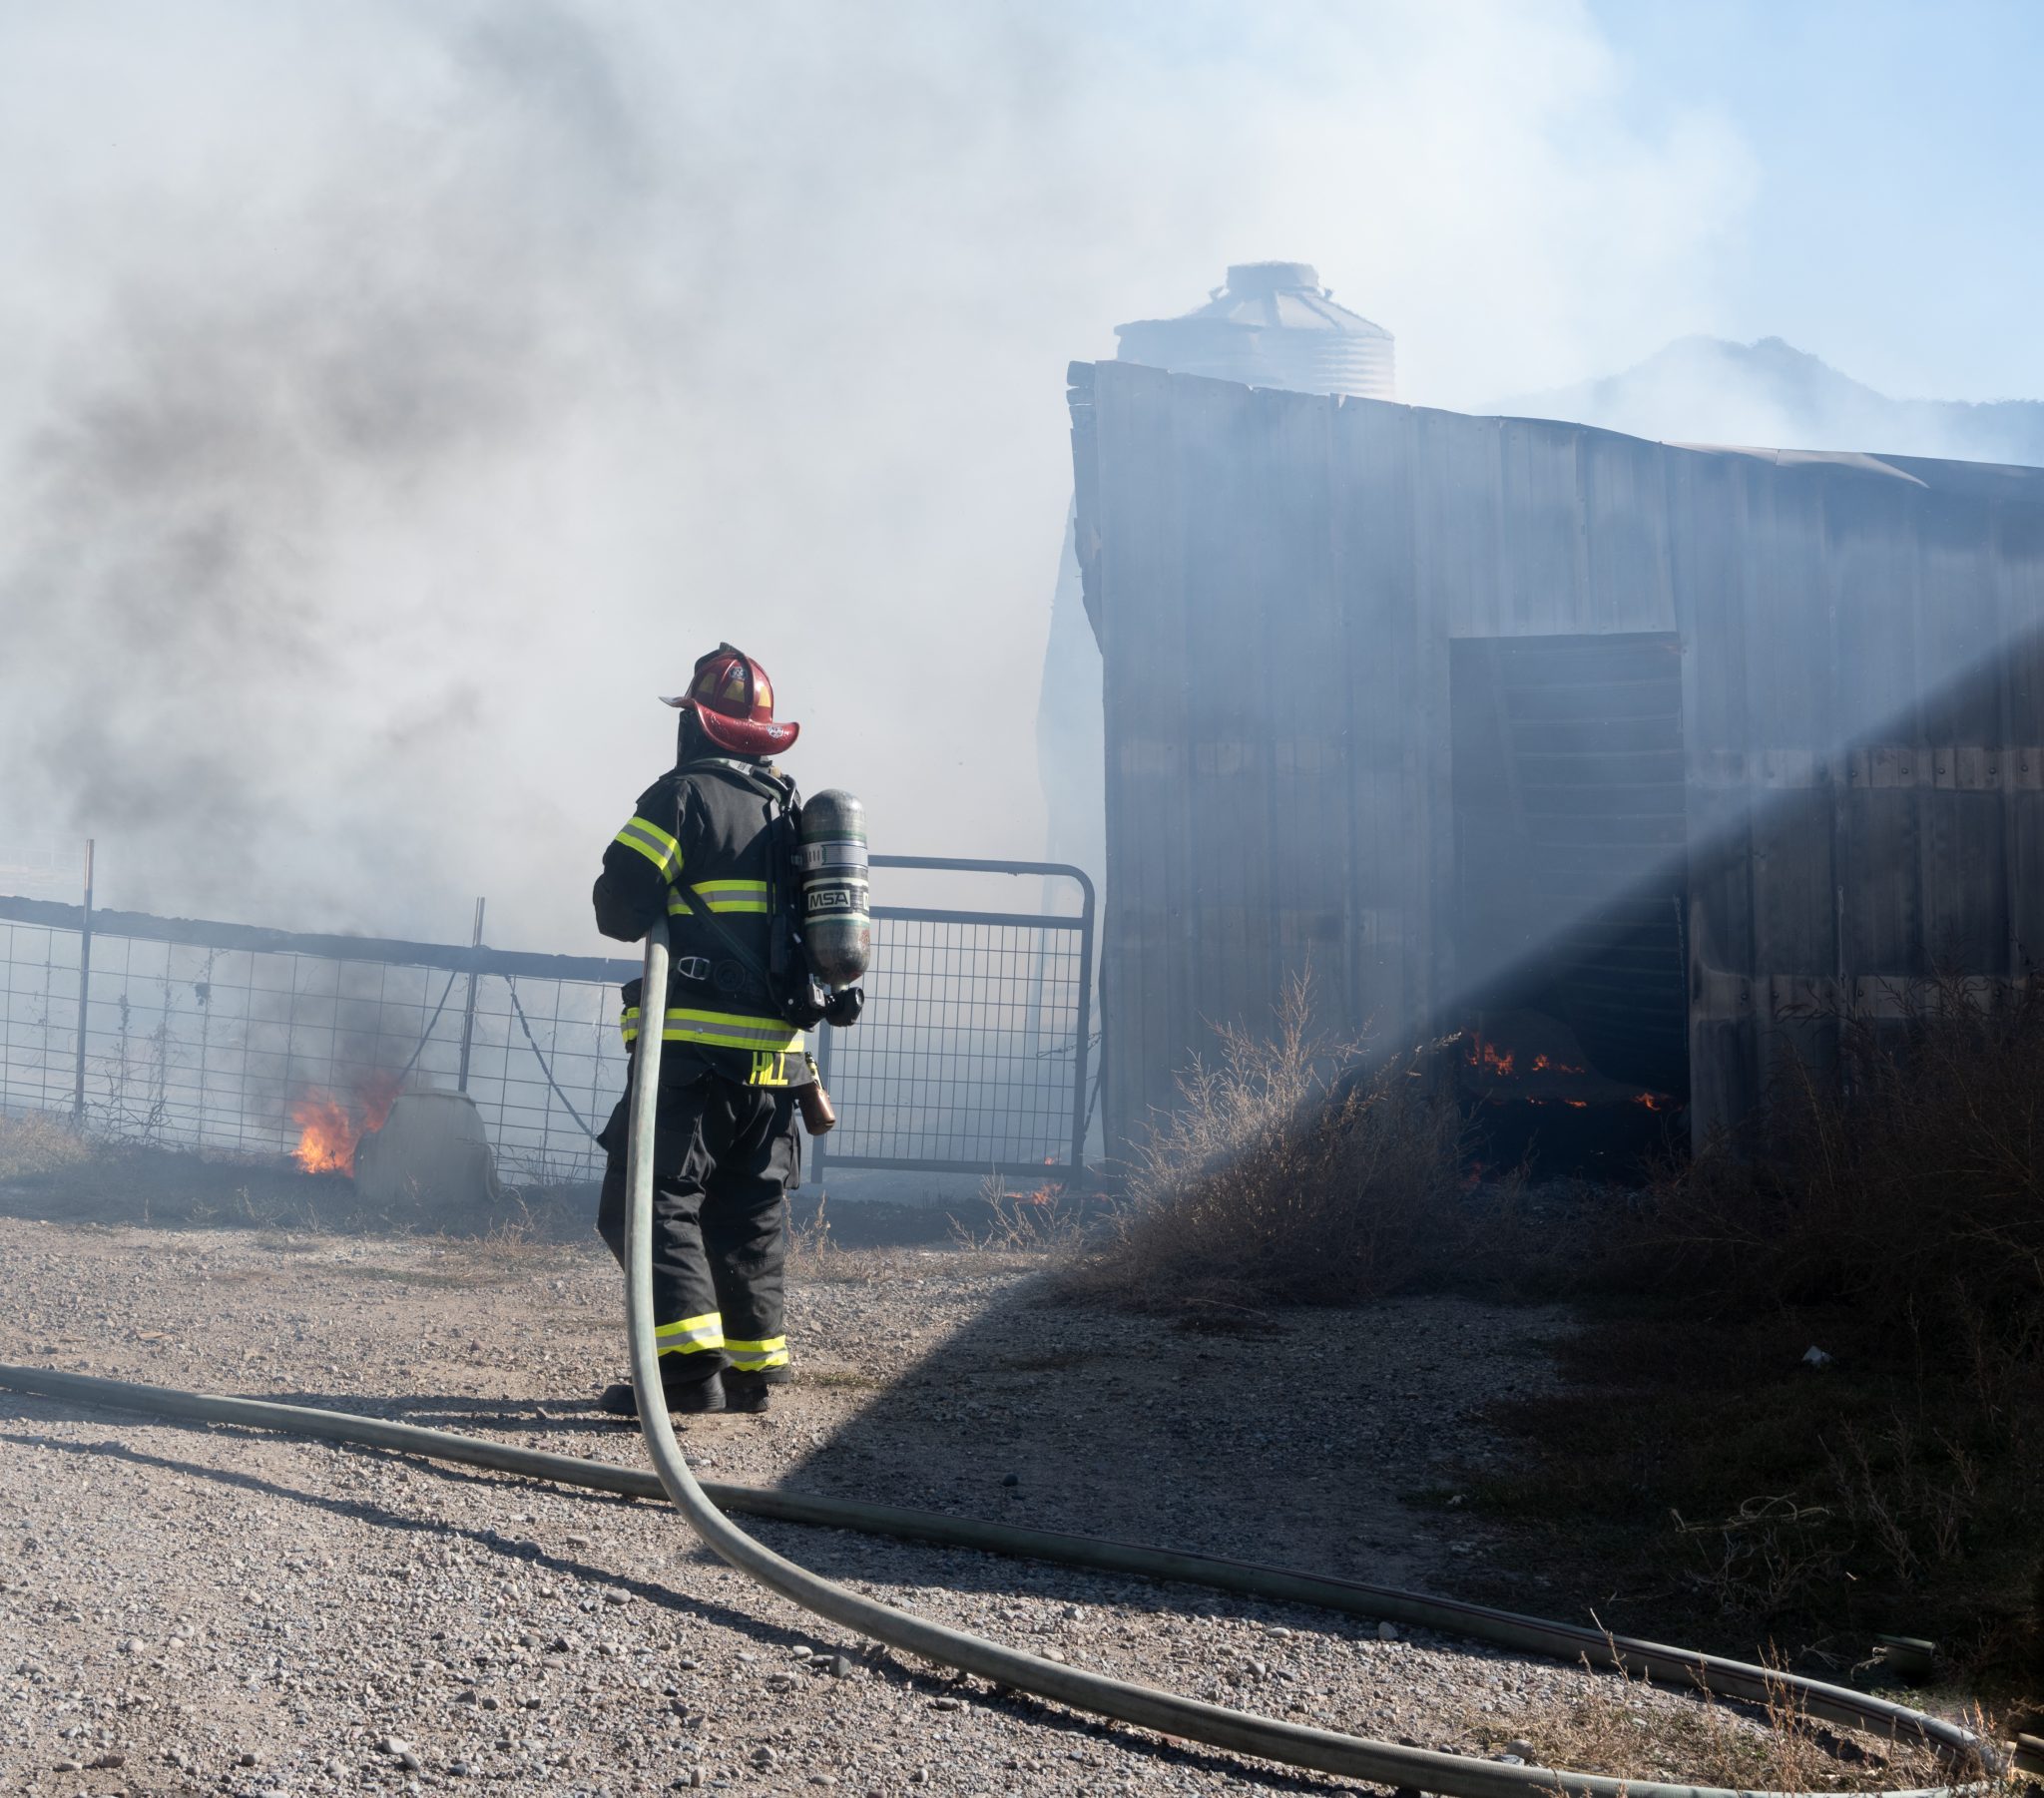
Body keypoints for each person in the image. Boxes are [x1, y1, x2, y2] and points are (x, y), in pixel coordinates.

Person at [590, 645, 861, 1418]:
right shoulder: (791, 811)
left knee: (649, 1200)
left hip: (692, 1060)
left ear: (699, 724)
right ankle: (752, 1375)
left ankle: (685, 1375)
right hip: (780, 1070)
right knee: (748, 1214)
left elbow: (618, 907)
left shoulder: (685, 797)